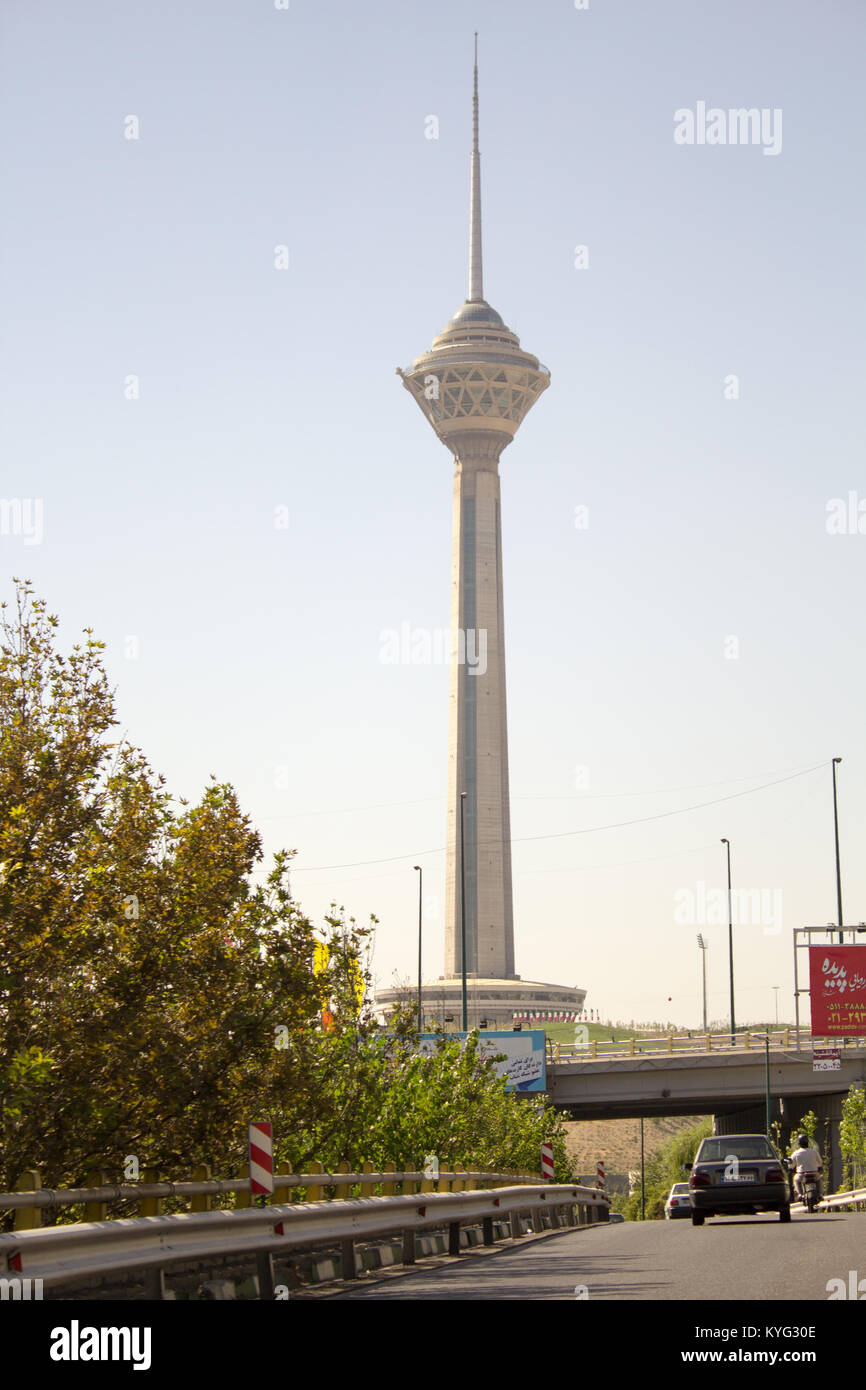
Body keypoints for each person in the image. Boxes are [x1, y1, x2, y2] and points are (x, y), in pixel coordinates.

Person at [790, 1132, 822, 1200]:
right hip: (814, 1172)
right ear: (808, 1143)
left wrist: (790, 1168)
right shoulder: (814, 1151)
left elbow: (791, 1164)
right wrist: (818, 1166)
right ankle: (820, 1194)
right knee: (819, 1179)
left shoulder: (796, 1153)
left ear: (799, 1144)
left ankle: (800, 1194)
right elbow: (820, 1162)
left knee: (795, 1179)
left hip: (801, 1174)